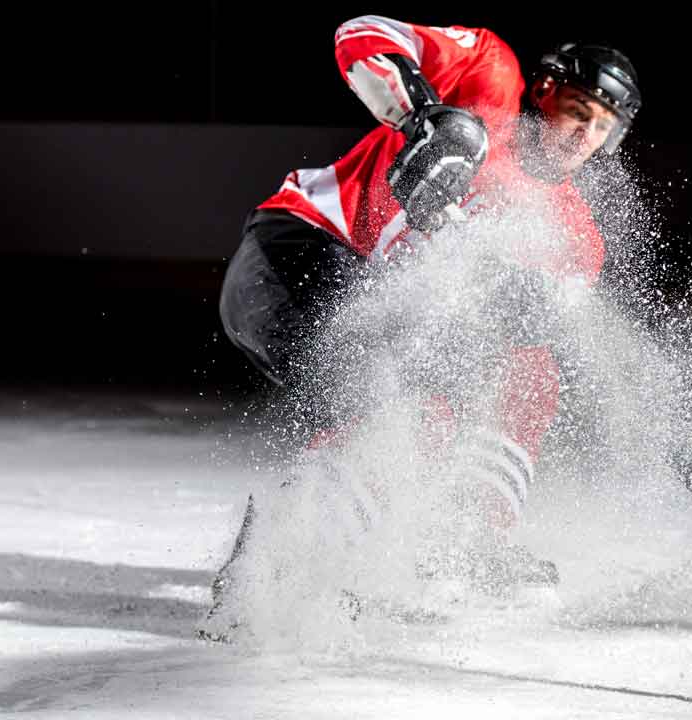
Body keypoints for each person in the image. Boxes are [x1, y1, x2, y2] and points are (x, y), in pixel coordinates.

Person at [205, 15, 642, 634]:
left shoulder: (574, 234)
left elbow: (546, 323)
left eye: (601, 126)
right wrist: (422, 116)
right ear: (544, 91)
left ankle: (467, 537)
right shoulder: (487, 82)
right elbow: (361, 33)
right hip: (302, 256)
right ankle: (277, 563)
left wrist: (530, 307)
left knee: (508, 378)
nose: (583, 134)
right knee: (389, 398)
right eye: (578, 108)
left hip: (387, 321)